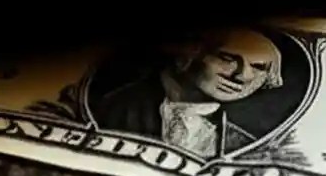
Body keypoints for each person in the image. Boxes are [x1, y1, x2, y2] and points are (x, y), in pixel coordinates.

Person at [91, 29, 285, 159]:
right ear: (187, 54)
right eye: (226, 58)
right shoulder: (112, 106)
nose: (243, 76)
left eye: (259, 67)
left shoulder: (246, 143)